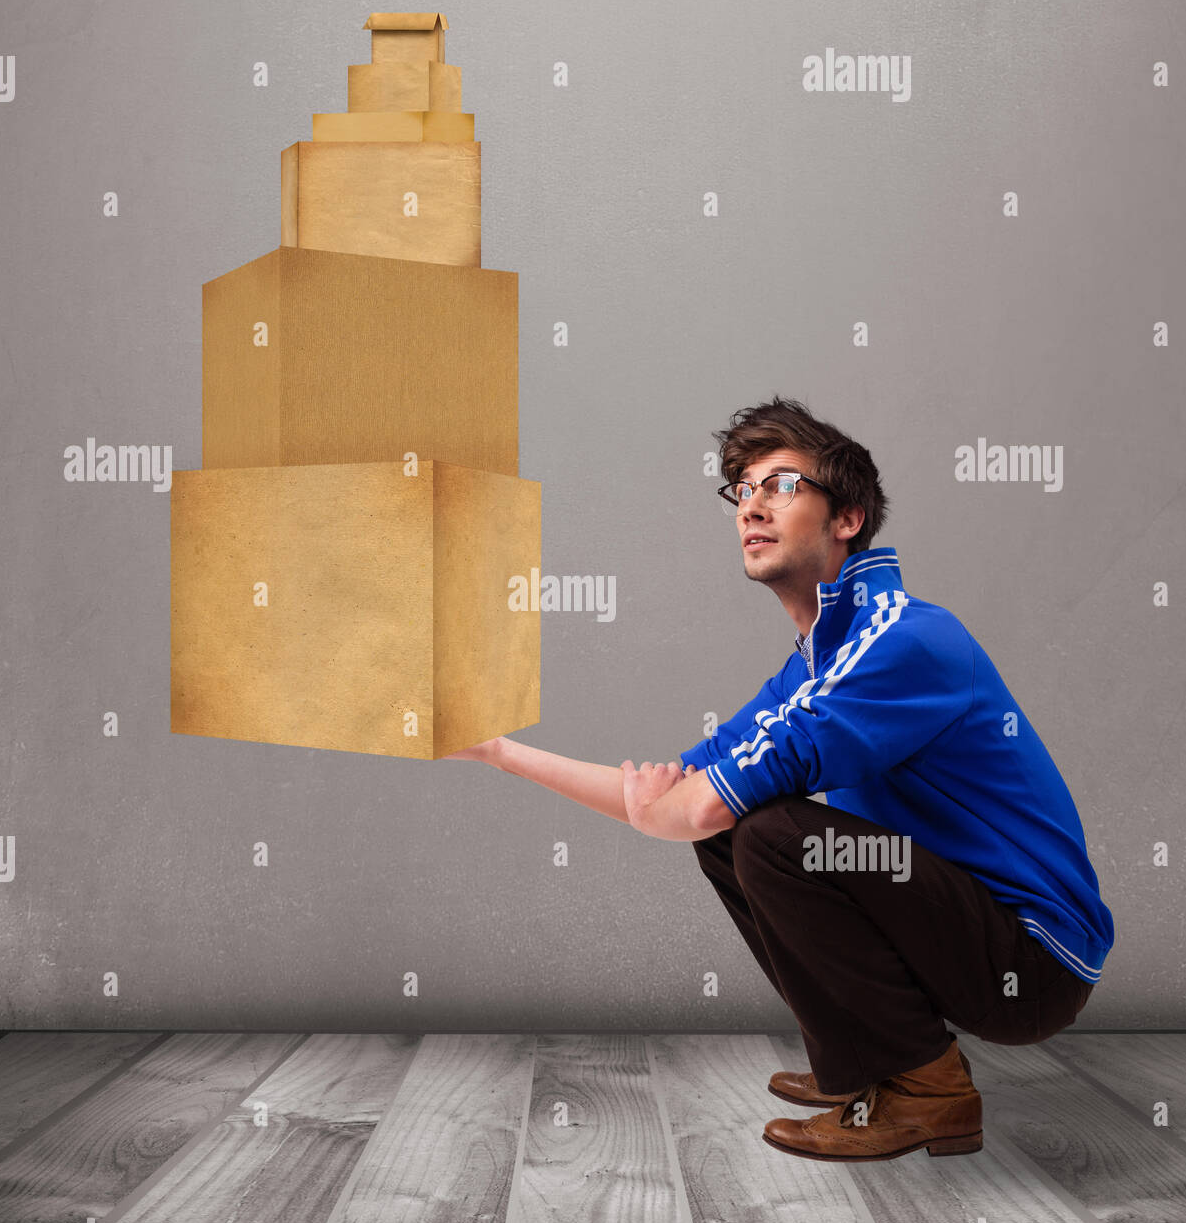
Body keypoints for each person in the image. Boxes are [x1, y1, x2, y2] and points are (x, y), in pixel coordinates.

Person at [444, 397, 1114, 1164]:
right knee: (740, 834)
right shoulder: (817, 667)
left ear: (847, 520)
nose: (751, 505)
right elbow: (682, 793)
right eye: (742, 490)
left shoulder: (903, 642)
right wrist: (496, 751)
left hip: (1029, 961)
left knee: (769, 834)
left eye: (781, 485)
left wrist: (669, 812)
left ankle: (930, 1092)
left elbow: (686, 807)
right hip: (955, 925)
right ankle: (864, 1064)